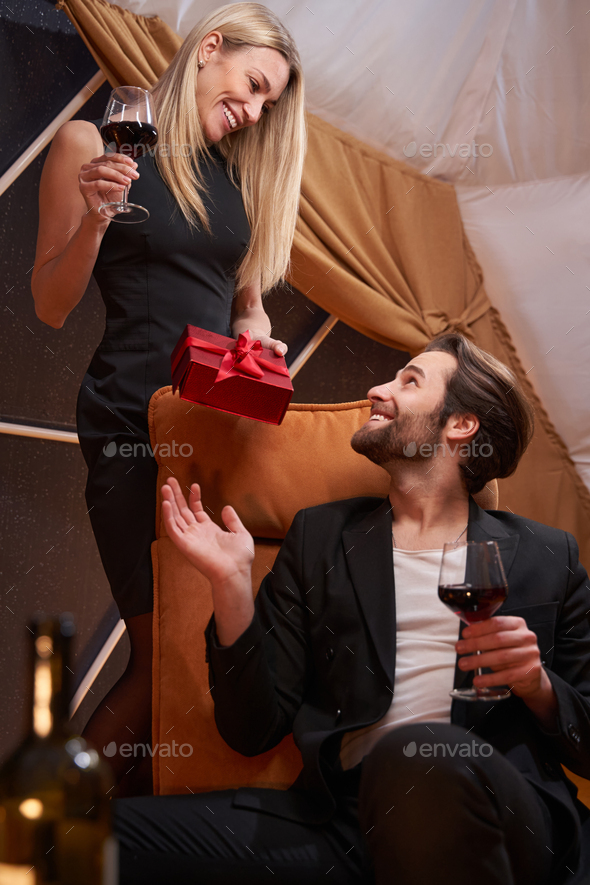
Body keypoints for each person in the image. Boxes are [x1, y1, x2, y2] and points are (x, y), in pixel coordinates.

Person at [113, 332, 590, 884]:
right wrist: (231, 586)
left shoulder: (547, 556)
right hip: (345, 820)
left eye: (409, 381)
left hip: (496, 818)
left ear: (461, 425)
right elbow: (251, 730)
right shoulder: (319, 539)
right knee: (89, 838)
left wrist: (538, 686)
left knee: (419, 754)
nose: (377, 390)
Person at [31, 3, 305, 793]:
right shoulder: (90, 143)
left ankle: (112, 837)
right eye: (254, 85)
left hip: (212, 426)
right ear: (210, 47)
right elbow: (49, 303)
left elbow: (246, 305)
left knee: (187, 651)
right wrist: (96, 220)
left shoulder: (239, 180)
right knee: (160, 654)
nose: (255, 111)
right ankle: (38, 832)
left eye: (269, 103)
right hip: (130, 419)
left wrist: (259, 339)